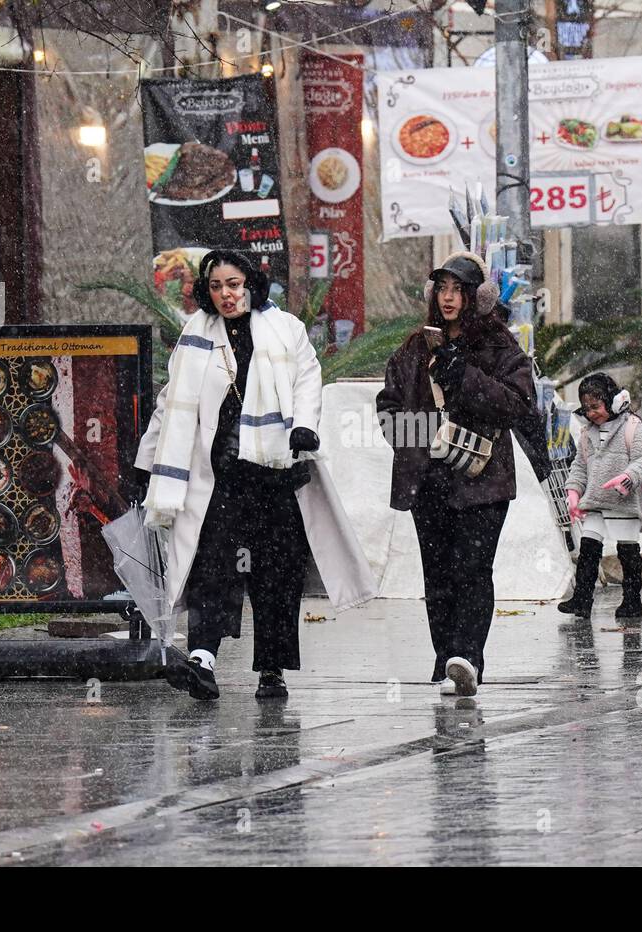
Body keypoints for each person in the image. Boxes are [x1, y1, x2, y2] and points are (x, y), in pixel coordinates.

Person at [136, 249, 376, 700]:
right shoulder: (195, 334)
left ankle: (272, 669)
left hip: (275, 473)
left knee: (276, 573)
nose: (226, 294)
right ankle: (203, 657)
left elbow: (307, 377)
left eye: (233, 284)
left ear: (250, 283)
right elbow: (173, 401)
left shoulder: (286, 328)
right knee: (213, 564)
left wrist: (305, 427)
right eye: (216, 286)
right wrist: (148, 459)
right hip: (219, 476)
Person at [376, 251, 536, 697]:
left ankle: (468, 659)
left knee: (473, 568)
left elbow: (517, 404)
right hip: (429, 480)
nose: (448, 299)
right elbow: (388, 405)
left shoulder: (498, 345)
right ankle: (444, 658)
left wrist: (463, 376)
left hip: (483, 478)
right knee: (439, 575)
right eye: (442, 289)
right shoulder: (412, 349)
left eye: (458, 290)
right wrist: (417, 442)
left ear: (476, 296)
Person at [559, 373, 642, 620]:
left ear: (612, 401)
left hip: (623, 503)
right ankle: (582, 599)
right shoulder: (587, 433)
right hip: (595, 502)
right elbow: (580, 466)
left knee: (628, 553)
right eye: (587, 408)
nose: (592, 413)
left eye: (597, 406)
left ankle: (632, 601)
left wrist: (627, 479)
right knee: (588, 551)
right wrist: (573, 492)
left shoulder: (633, 427)